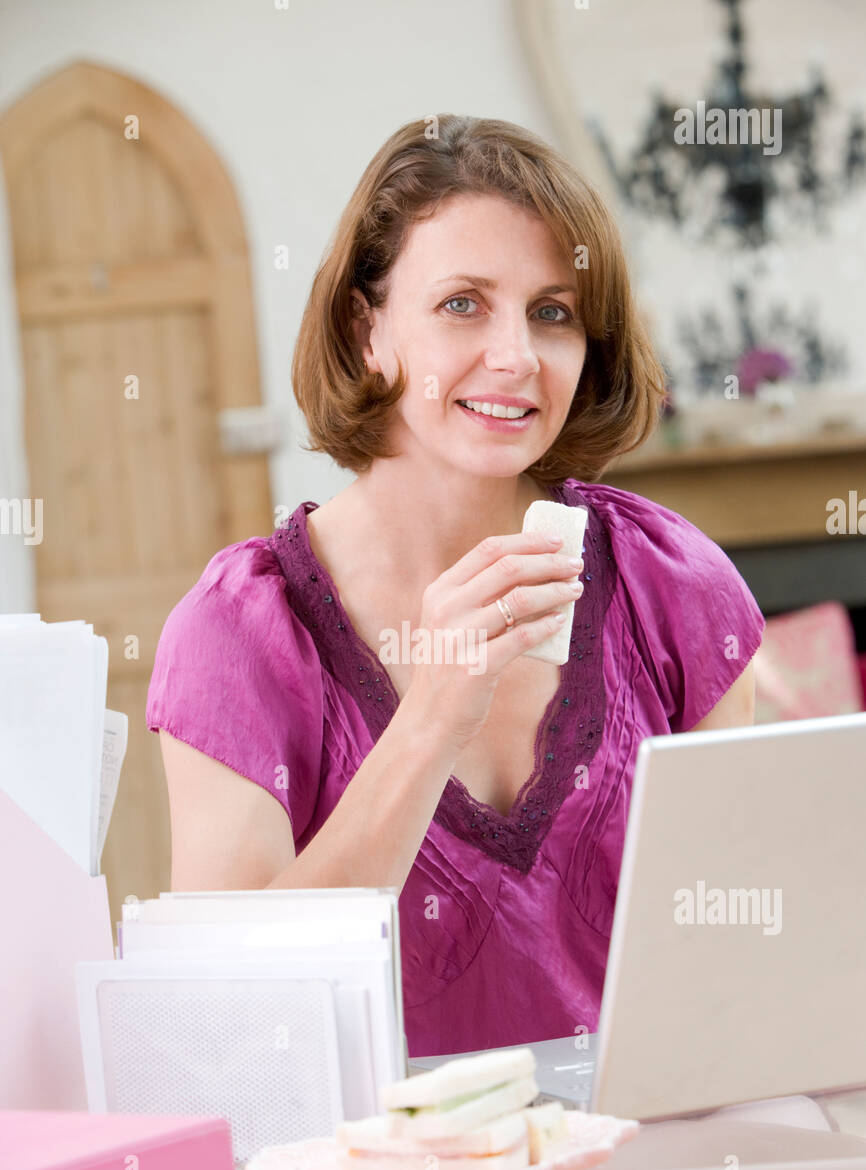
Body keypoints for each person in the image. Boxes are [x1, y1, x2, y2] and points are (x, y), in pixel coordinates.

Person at [146, 115, 764, 1056]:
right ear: (368, 331)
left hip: (658, 1168)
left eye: (553, 311)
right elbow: (231, 1032)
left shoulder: (671, 583)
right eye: (464, 304)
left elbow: (748, 950)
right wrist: (431, 720)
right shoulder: (240, 635)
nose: (516, 355)